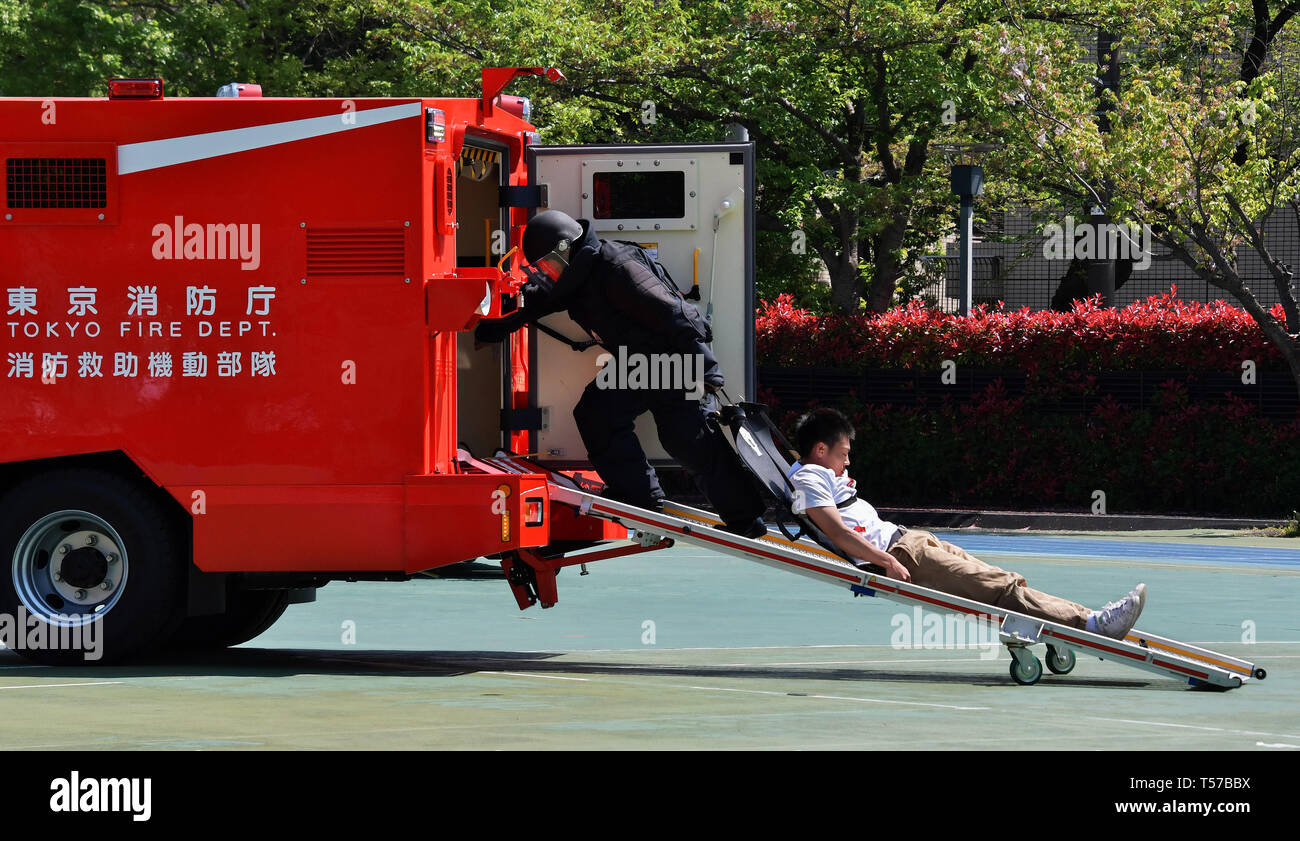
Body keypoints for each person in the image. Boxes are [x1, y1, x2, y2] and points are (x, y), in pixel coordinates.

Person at [475, 210, 767, 537]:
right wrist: (495, 327)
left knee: (689, 440)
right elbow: (542, 301)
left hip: (675, 362)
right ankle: (639, 497)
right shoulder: (579, 276)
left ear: (564, 249)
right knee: (596, 413)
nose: (545, 272)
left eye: (546, 264)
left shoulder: (616, 267)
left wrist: (705, 372)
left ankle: (746, 520)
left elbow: (677, 315)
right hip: (640, 364)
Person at [788, 407, 1147, 638]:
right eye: (844, 454)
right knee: (1000, 588)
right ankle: (1093, 623)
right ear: (821, 450)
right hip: (900, 554)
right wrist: (888, 561)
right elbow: (837, 531)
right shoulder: (811, 477)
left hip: (909, 541)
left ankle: (1083, 618)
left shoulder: (815, 472)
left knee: (1002, 581)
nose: (847, 463)